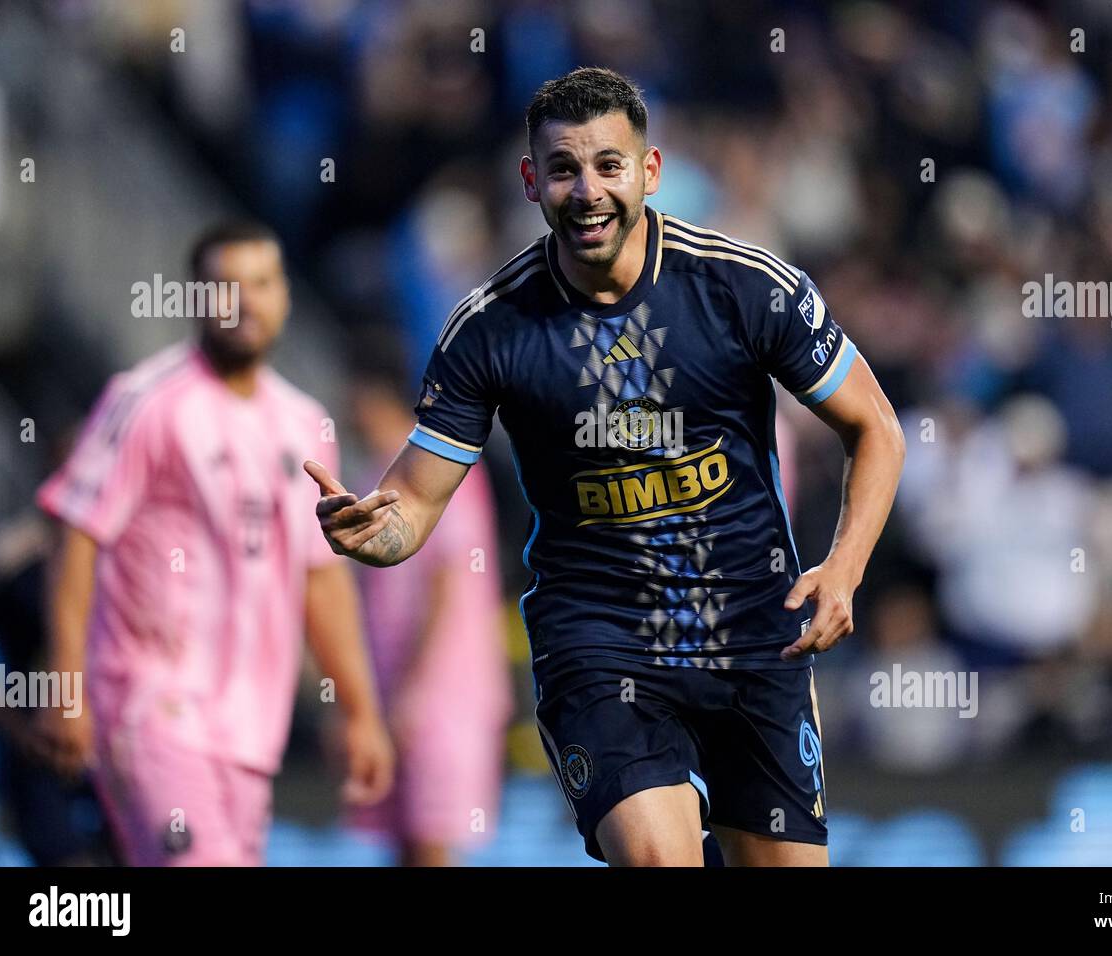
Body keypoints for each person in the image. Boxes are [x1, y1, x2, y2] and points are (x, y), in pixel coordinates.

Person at [307, 68, 905, 866]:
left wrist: (845, 567)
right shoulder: (490, 330)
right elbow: (412, 507)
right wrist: (371, 535)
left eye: (609, 166)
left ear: (649, 172)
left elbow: (878, 428)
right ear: (531, 181)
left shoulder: (745, 288)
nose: (587, 190)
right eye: (563, 169)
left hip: (752, 633)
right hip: (601, 640)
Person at [37, 221, 394, 866]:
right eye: (225, 287)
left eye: (260, 284)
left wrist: (360, 709)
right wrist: (66, 687)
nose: (245, 303)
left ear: (283, 294)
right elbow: (79, 531)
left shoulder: (305, 423)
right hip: (152, 708)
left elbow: (321, 576)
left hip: (252, 733)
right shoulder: (147, 402)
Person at [345, 348, 511, 866]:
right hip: (394, 690)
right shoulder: (377, 476)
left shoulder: (441, 470)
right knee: (402, 844)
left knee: (433, 839)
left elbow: (445, 584)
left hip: (444, 695)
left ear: (379, 401)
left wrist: (413, 687)